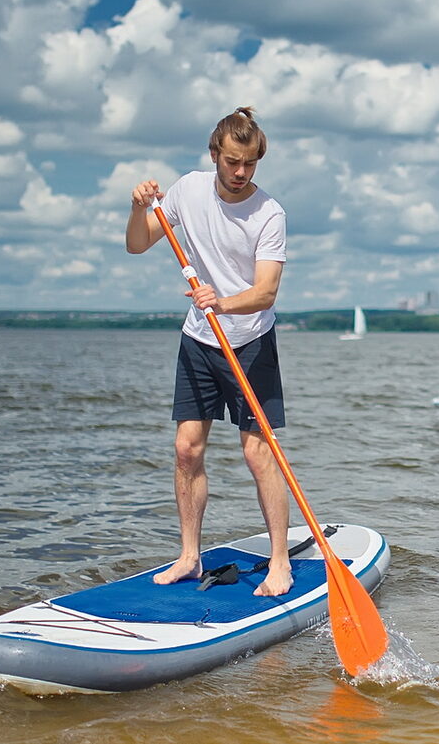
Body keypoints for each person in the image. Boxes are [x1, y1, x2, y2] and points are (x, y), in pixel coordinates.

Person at [125, 107, 294, 596]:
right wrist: (138, 208)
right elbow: (138, 245)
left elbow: (265, 292)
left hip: (250, 341)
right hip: (199, 339)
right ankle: (188, 555)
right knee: (186, 448)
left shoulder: (269, 214)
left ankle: (279, 561)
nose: (241, 174)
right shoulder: (187, 191)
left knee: (258, 453)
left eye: (250, 165)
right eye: (232, 162)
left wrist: (223, 301)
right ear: (215, 155)